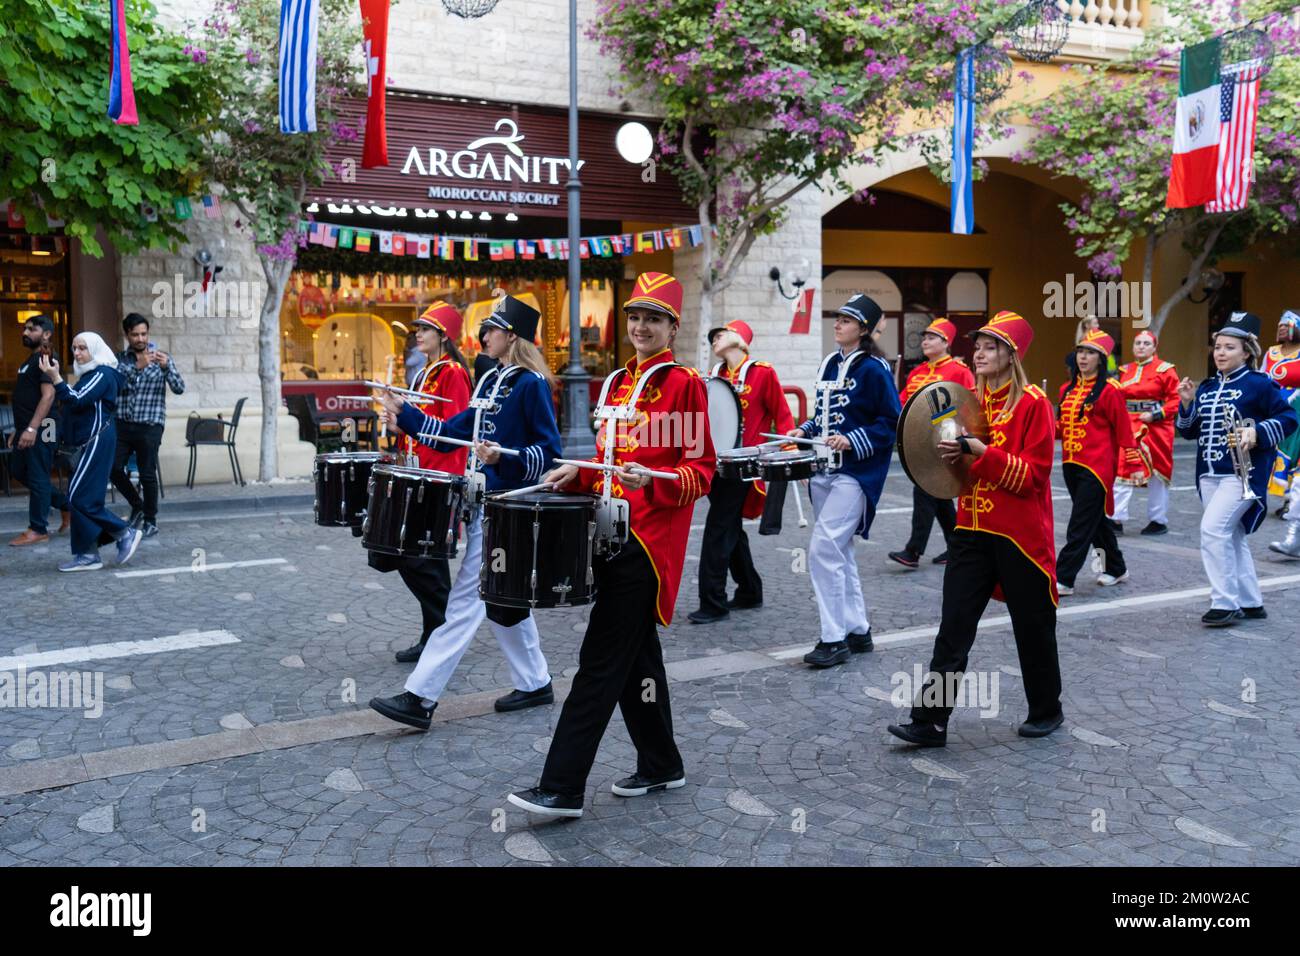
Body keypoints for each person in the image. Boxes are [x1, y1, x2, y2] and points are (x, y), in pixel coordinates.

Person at [508, 272, 715, 819]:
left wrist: (660, 480)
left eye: (653, 318)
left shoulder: (685, 385)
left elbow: (702, 470)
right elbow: (606, 465)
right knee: (635, 657)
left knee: (598, 662)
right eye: (635, 317)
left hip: (647, 544)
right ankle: (661, 762)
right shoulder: (616, 385)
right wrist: (573, 474)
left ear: (672, 326)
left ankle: (562, 786)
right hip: (607, 535)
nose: (641, 326)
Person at [369, 295, 560, 727]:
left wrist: (502, 458)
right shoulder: (490, 381)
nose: (482, 336)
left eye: (490, 329)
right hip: (483, 507)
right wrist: (406, 413)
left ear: (511, 335)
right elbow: (452, 434)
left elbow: (548, 453)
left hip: (507, 509)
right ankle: (535, 682)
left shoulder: (530, 384)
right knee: (505, 605)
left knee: (464, 605)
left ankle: (420, 697)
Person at [888, 311, 1063, 746]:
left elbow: (1033, 477)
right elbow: (952, 471)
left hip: (1019, 536)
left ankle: (1047, 708)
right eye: (978, 345)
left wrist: (982, 452)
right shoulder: (967, 401)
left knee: (1033, 625)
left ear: (1011, 354)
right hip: (970, 529)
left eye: (989, 346)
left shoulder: (1033, 403)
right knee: (954, 628)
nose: (978, 353)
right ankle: (930, 721)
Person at [790, 294, 901, 668]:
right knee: (840, 551)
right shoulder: (828, 363)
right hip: (823, 471)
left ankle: (833, 638)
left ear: (864, 329)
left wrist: (851, 440)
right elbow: (822, 417)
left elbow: (891, 423)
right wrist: (802, 431)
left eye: (847, 320)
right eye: (838, 318)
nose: (838, 324)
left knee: (822, 549)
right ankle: (858, 630)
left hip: (856, 472)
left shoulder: (875, 369)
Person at [1176, 312, 1298, 626]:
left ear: (1246, 352)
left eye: (1229, 347)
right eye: (1217, 346)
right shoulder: (1205, 387)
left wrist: (1256, 432)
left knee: (1213, 530)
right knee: (1233, 535)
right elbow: (1190, 431)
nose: (1220, 352)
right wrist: (1188, 403)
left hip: (1242, 474)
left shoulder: (1259, 384)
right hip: (1208, 474)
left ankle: (1224, 602)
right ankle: (1250, 600)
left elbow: (1289, 418)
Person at [377, 303, 472, 664]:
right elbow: (418, 427)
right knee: (414, 557)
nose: (418, 333)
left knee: (421, 560)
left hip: (438, 477)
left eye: (427, 329)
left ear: (443, 336)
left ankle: (442, 634)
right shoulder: (424, 373)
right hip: (416, 473)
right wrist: (398, 425)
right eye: (418, 328)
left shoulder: (453, 374)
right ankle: (436, 633)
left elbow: (454, 432)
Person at [689, 318, 793, 624]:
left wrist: (789, 451)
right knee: (729, 525)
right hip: (717, 464)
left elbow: (782, 415)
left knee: (717, 528)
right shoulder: (713, 376)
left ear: (740, 338)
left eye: (721, 334)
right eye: (714, 337)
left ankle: (713, 601)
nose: (715, 339)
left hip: (745, 466)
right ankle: (749, 589)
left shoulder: (763, 372)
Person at [37, 333, 144, 572]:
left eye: (83, 348)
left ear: (95, 350)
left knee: (77, 497)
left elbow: (76, 400)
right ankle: (87, 554)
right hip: (87, 442)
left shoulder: (103, 374)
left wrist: (55, 378)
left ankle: (124, 532)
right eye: (74, 348)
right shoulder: (90, 375)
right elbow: (75, 409)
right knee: (82, 498)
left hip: (97, 441)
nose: (77, 353)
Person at [887, 318, 974, 569]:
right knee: (937, 496)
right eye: (924, 337)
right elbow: (901, 405)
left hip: (946, 443)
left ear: (946, 342)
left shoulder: (959, 371)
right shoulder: (917, 373)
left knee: (925, 490)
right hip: (919, 444)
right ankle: (957, 545)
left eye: (932, 337)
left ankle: (913, 551)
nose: (925, 341)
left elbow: (970, 405)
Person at [1054, 329, 1136, 595]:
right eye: (1080, 351)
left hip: (1097, 467)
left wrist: (1132, 464)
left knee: (1079, 523)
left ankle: (1063, 578)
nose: (1083, 357)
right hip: (1071, 463)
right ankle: (1116, 567)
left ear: (1101, 358)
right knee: (1095, 520)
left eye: (1090, 352)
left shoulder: (1110, 391)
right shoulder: (1067, 390)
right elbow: (1060, 428)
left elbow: (1124, 429)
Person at [110, 313, 185, 537]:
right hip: (123, 424)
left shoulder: (162, 358)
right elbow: (115, 386)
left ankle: (150, 519)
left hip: (150, 424)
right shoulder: (119, 360)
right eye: (135, 335)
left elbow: (179, 388)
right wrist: (138, 367)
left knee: (147, 473)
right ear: (127, 335)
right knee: (112, 468)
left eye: (144, 333)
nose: (140, 339)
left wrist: (166, 368)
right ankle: (138, 505)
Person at [1112, 329, 1180, 536]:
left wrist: (1157, 415)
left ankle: (1158, 520)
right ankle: (1115, 518)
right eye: (1137, 343)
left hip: (1156, 428)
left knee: (1158, 473)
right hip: (1127, 425)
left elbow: (1175, 400)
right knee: (1122, 468)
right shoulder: (1124, 370)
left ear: (1154, 347)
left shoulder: (1165, 370)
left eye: (1146, 343)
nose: (1141, 346)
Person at [8, 314, 67, 546]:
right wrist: (19, 428)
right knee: (18, 469)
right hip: (29, 427)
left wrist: (32, 428)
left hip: (45, 426)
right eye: (25, 328)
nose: (25, 332)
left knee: (38, 474)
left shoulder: (46, 357)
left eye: (31, 329)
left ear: (46, 334)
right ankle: (65, 505)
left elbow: (49, 395)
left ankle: (38, 528)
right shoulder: (29, 361)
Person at [1263, 310, 1300, 511]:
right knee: (1278, 451)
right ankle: (1288, 499)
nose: (1282, 328)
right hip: (1274, 408)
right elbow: (1262, 377)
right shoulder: (1271, 352)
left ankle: (1293, 502)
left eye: (1287, 325)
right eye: (1280, 326)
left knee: (1295, 452)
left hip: (1298, 409)